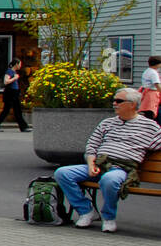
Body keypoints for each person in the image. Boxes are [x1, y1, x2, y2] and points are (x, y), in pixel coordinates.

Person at [53, 88, 161, 232]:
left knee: (110, 179)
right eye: (114, 101)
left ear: (133, 104)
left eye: (119, 101)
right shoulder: (107, 123)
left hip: (121, 169)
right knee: (62, 173)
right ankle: (86, 211)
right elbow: (92, 145)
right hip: (98, 165)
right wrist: (91, 164)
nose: (114, 104)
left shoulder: (150, 127)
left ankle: (108, 218)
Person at [0, 58, 30, 131]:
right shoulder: (9, 71)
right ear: (16, 64)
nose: (20, 66)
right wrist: (14, 78)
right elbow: (6, 82)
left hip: (14, 93)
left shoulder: (14, 72)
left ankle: (23, 127)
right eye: (19, 64)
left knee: (17, 110)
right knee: (7, 110)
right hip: (10, 93)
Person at [140, 55, 160, 122]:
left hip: (146, 94)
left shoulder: (147, 71)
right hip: (152, 95)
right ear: (157, 64)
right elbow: (157, 85)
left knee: (148, 113)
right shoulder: (153, 73)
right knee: (153, 112)